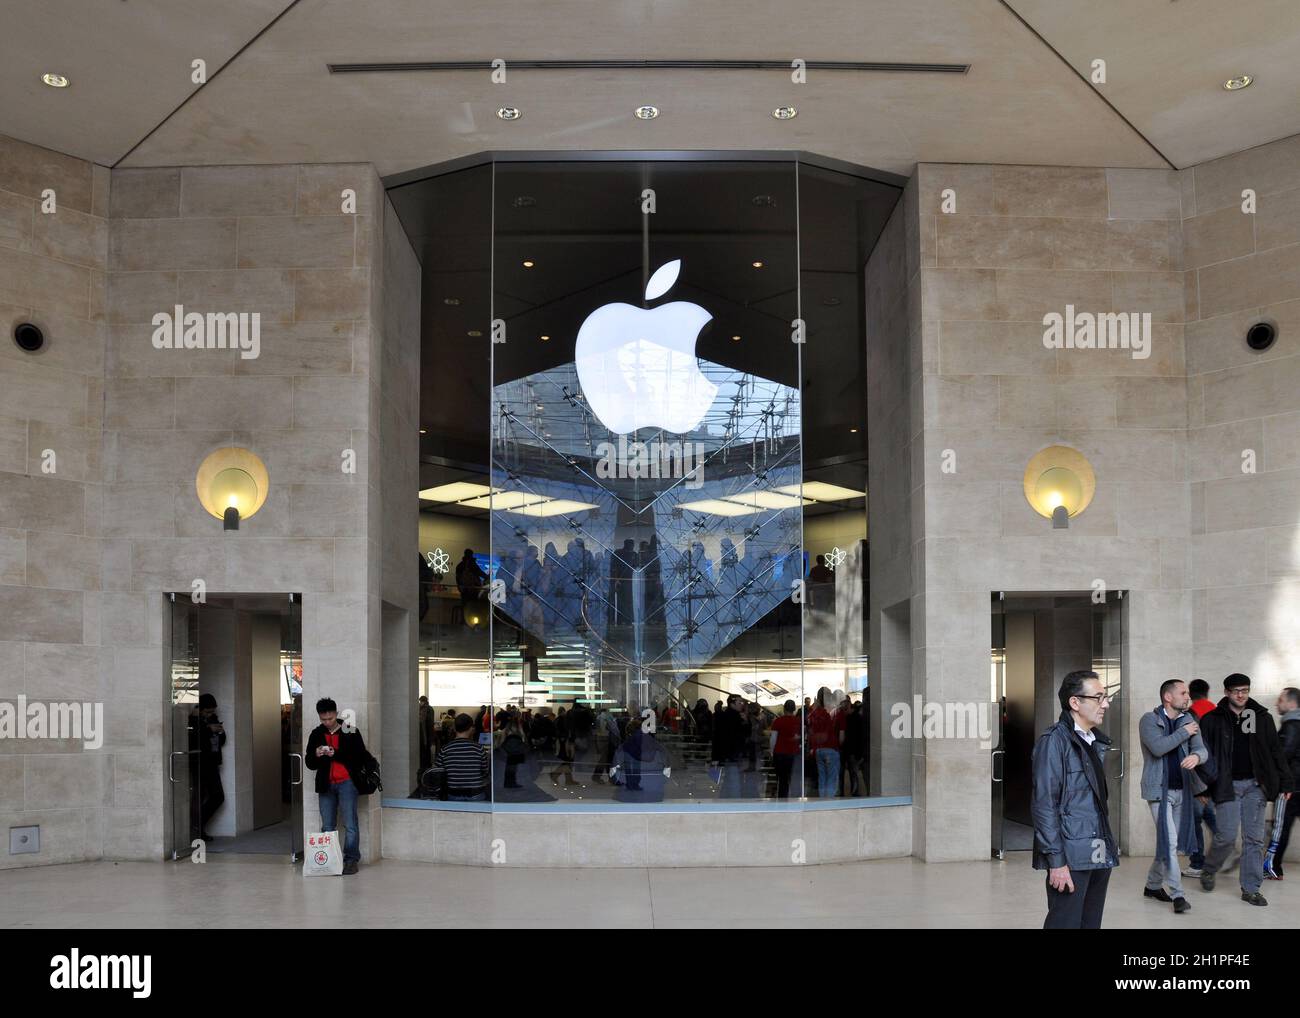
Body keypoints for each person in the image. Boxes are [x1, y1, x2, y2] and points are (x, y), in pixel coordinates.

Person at [1031, 670, 1119, 929]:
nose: (1106, 703)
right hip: (1071, 854)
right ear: (1075, 702)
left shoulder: (1092, 741)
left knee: (1090, 923)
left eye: (1105, 697)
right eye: (1099, 697)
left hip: (1098, 849)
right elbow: (1044, 805)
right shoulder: (1054, 742)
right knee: (1065, 923)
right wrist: (1056, 862)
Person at [1197, 674, 1294, 905]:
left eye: (1245, 690)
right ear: (1227, 692)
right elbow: (1203, 754)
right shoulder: (1212, 719)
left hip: (1255, 786)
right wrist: (1202, 788)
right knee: (1226, 837)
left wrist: (1286, 782)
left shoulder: (1262, 718)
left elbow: (1275, 751)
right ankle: (1209, 868)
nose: (1241, 695)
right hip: (1226, 785)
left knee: (1254, 839)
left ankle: (1251, 888)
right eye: (1236, 690)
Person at [1138, 679, 1209, 914]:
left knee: (1169, 845)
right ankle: (1178, 895)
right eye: (1183, 692)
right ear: (1168, 697)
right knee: (1169, 843)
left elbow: (1202, 749)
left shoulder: (1189, 720)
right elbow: (1158, 748)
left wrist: (1196, 757)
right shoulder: (1149, 720)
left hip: (1183, 791)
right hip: (1159, 791)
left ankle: (1152, 885)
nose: (1187, 696)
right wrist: (1183, 732)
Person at [304, 697, 368, 875]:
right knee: (328, 826)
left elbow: (359, 757)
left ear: (336, 714)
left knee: (350, 824)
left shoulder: (350, 731)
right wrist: (316, 754)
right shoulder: (316, 733)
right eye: (323, 719)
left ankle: (351, 860)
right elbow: (309, 763)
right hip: (326, 785)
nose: (327, 722)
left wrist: (335, 754)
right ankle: (329, 861)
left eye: (330, 718)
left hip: (347, 782)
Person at [1185, 678, 1219, 875]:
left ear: (1190, 693)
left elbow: (1195, 750)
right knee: (1209, 815)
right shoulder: (1218, 712)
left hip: (1199, 776)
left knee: (1195, 818)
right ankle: (1225, 847)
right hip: (1216, 775)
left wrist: (1200, 786)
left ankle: (1197, 862)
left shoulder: (1192, 714)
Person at [1268, 688, 1300, 878]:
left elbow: (1282, 756)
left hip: (1292, 786)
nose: (1277, 703)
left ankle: (1273, 867)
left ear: (1291, 703)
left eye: (1280, 700)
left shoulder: (1292, 725)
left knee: (1281, 827)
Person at [436, 713, 489, 800]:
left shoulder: (445, 749)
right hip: (475, 793)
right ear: (471, 728)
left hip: (453, 794)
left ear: (454, 728)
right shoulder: (478, 748)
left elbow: (439, 771)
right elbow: (485, 772)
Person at [196, 693, 225, 840]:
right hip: (201, 763)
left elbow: (222, 740)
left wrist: (219, 731)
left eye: (212, 711)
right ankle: (197, 826)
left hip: (213, 762)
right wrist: (209, 730)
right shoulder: (195, 721)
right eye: (207, 711)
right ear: (200, 709)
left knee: (217, 796)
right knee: (202, 797)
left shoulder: (213, 719)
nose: (211, 714)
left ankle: (198, 825)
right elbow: (194, 738)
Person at [807, 687, 843, 798]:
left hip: (818, 750)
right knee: (832, 779)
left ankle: (822, 803)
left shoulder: (814, 713)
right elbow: (841, 736)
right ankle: (829, 806)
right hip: (831, 749)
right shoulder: (835, 713)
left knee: (822, 778)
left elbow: (810, 733)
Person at [710, 694, 748, 798]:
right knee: (734, 783)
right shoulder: (733, 717)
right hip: (732, 756)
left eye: (742, 702)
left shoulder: (726, 716)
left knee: (729, 781)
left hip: (729, 755)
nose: (742, 705)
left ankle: (724, 802)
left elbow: (717, 738)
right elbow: (719, 738)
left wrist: (715, 757)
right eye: (739, 702)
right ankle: (734, 805)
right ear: (732, 704)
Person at [769, 700, 801, 799]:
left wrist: (771, 751)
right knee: (792, 778)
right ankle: (792, 798)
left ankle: (782, 799)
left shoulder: (777, 721)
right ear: (794, 709)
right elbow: (801, 737)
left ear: (784, 709)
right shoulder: (798, 721)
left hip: (779, 753)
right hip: (793, 753)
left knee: (782, 779)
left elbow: (773, 738)